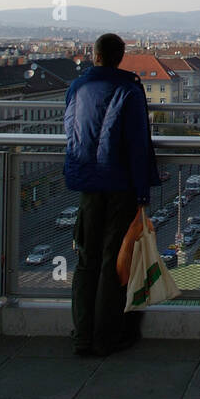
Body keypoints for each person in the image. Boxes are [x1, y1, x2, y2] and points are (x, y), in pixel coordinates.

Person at [63, 33, 163, 356]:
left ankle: (82, 335)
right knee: (112, 261)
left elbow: (71, 131)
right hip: (119, 185)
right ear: (120, 58)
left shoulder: (76, 88)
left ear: (95, 55)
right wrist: (142, 194)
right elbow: (137, 146)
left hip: (88, 185)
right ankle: (106, 337)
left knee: (85, 259)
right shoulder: (129, 91)